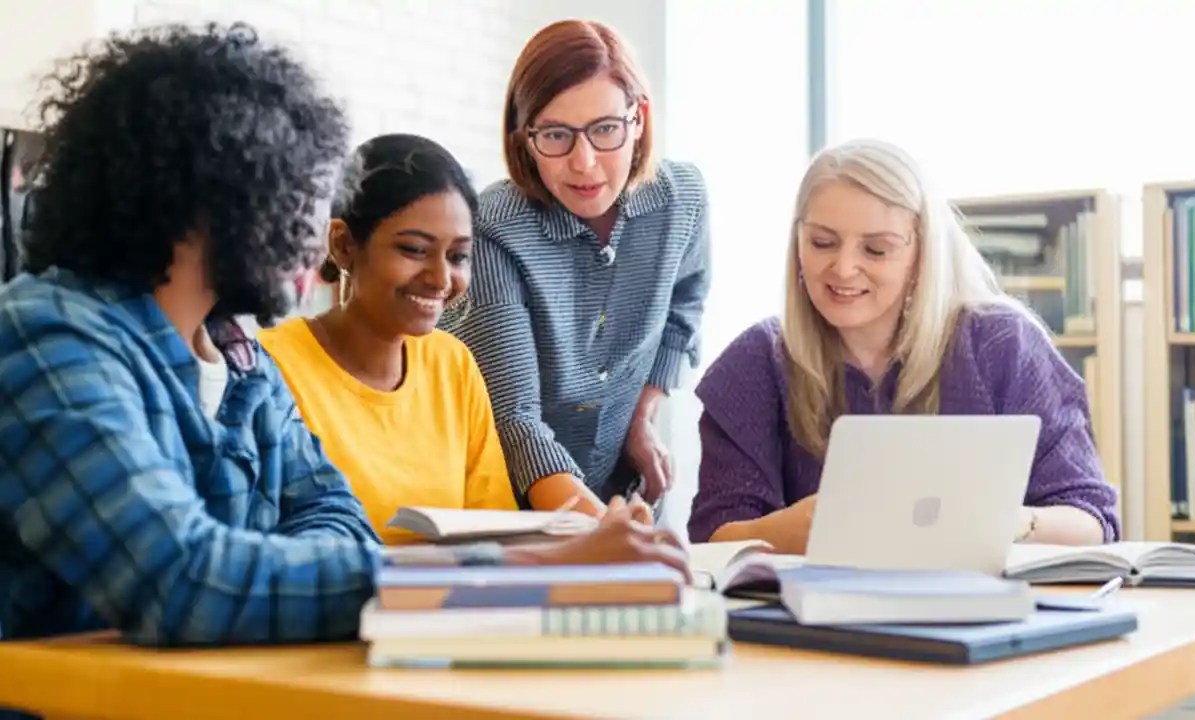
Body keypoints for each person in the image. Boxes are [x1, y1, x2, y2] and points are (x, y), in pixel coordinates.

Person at [0, 23, 688, 648]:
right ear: (217, 194)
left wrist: (270, 571)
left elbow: (337, 520)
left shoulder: (239, 360)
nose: (313, 235)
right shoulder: (47, 339)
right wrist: (533, 564)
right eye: (298, 194)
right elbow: (186, 581)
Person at [686, 138, 1119, 553]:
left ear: (921, 254)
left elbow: (1092, 521)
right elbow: (711, 539)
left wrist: (1005, 521)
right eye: (822, 243)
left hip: (981, 609)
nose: (844, 267)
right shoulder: (756, 362)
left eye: (877, 250)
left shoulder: (1002, 345)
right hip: (815, 616)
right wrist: (787, 532)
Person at [442, 19, 711, 518]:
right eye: (556, 135)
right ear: (524, 138)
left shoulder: (682, 199)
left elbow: (684, 307)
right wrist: (607, 539)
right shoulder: (494, 229)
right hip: (511, 506)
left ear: (639, 120)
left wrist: (641, 417)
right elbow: (516, 419)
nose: (584, 163)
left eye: (606, 129)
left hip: (613, 494)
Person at [260, 134, 518, 545]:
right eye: (414, 249)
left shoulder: (454, 366)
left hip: (450, 608)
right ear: (343, 245)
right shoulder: (271, 368)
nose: (440, 279)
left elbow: (494, 538)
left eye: (458, 257)